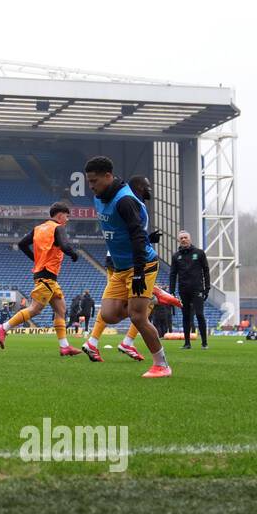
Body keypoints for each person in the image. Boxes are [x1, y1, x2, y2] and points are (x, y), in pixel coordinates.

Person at [78, 158, 170, 377]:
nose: (91, 186)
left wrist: (138, 273)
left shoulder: (125, 201)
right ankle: (152, 297)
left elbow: (138, 237)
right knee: (108, 315)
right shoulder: (99, 197)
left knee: (138, 316)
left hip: (142, 265)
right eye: (89, 181)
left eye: (94, 181)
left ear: (108, 176)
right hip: (120, 268)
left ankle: (162, 365)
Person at [0, 201, 82, 357]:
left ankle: (64, 346)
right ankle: (4, 327)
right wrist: (74, 254)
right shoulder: (58, 227)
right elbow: (65, 245)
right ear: (60, 214)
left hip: (47, 277)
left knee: (61, 309)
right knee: (35, 309)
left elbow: (22, 244)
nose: (67, 220)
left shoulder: (38, 229)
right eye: (67, 216)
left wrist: (36, 260)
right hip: (47, 277)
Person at [169, 231, 212, 349]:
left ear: (190, 239)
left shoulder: (199, 253)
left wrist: (207, 288)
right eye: (181, 238)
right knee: (186, 316)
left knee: (199, 314)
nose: (184, 239)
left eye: (185, 237)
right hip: (183, 290)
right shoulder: (176, 256)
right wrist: (172, 291)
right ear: (179, 240)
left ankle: (204, 343)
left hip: (197, 289)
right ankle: (187, 343)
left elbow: (206, 271)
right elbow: (173, 274)